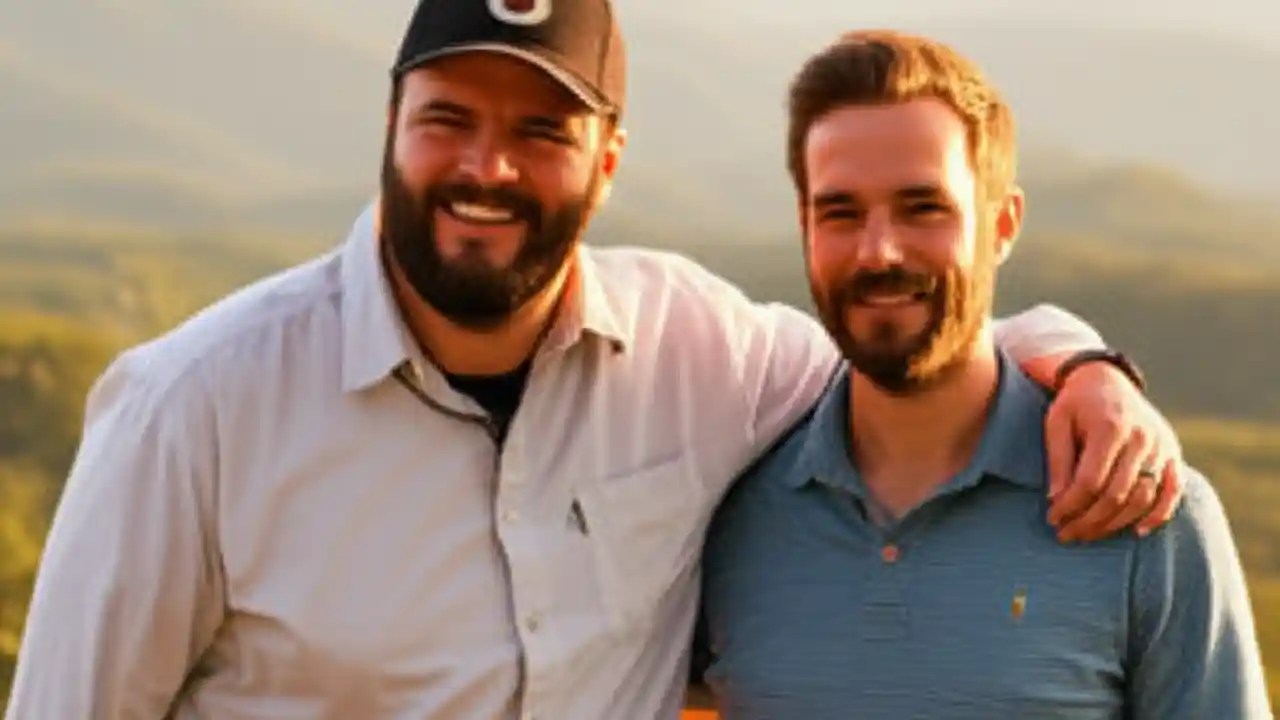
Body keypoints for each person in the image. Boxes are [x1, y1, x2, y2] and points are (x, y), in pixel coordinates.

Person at [6, 3, 1184, 719]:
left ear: (608, 161)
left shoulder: (696, 351)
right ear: (389, 125)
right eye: (447, 120)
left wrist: (1081, 365)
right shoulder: (193, 409)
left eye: (539, 132)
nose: (487, 168)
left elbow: (895, 343)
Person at [696, 29, 1271, 719]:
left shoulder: (1144, 514)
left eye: (923, 208)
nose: (878, 251)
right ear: (805, 228)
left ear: (1001, 225)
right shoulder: (725, 511)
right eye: (841, 212)